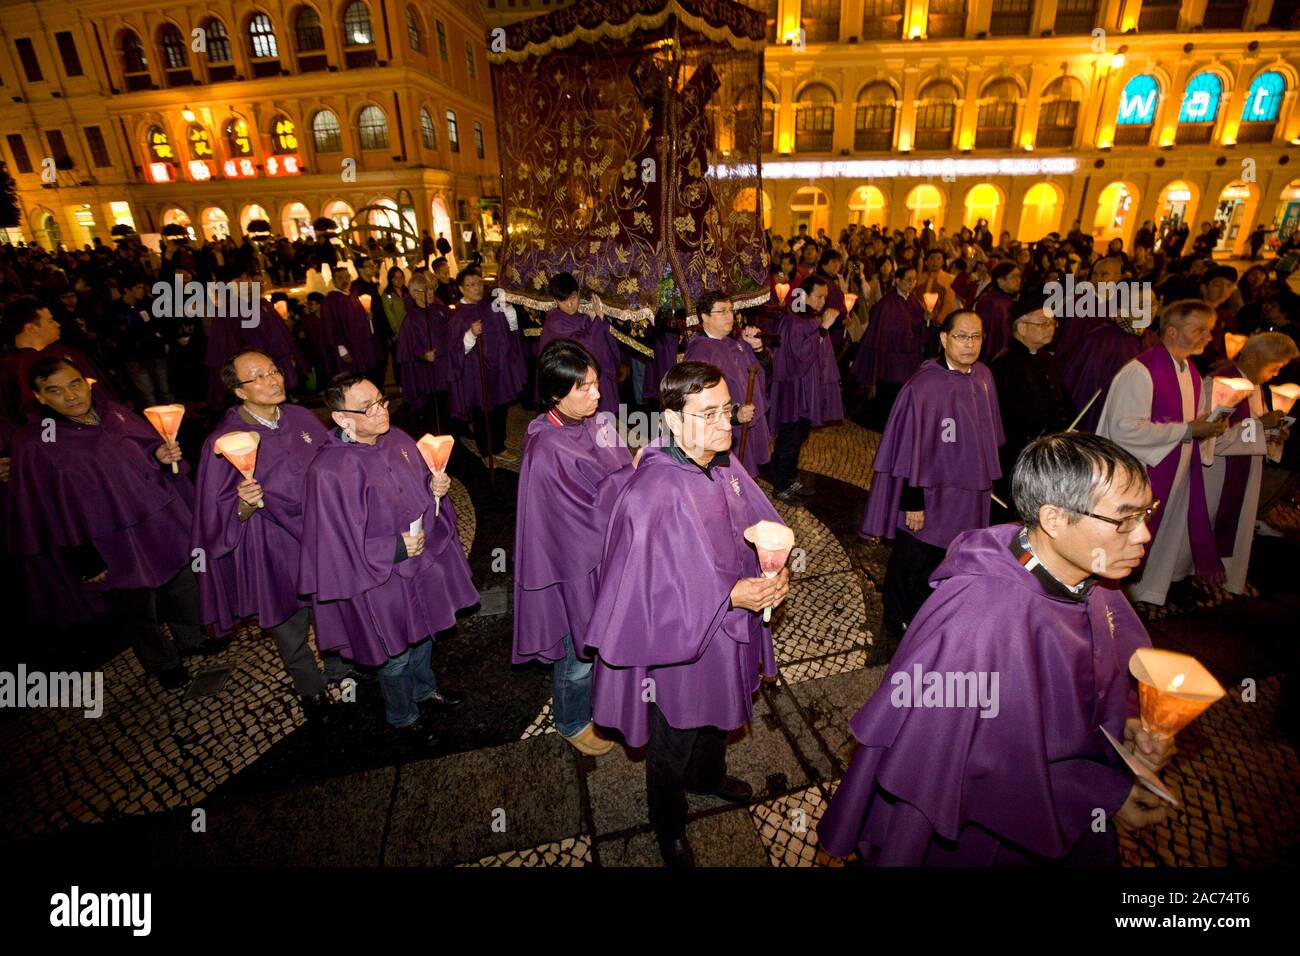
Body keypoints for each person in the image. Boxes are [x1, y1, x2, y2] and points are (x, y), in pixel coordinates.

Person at [820, 432, 1173, 865]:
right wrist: (1100, 798)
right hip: (991, 840)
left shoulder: (1093, 581)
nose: (1144, 534)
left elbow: (1103, 678)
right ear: (1054, 518)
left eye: (1146, 513)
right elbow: (965, 766)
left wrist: (1128, 726)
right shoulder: (976, 621)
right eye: (1125, 519)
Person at [585, 361, 791, 866]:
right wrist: (728, 597)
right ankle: (668, 823)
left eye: (727, 409)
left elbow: (760, 523)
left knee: (719, 716)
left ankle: (708, 775)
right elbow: (644, 593)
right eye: (709, 413)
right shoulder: (652, 493)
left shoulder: (721, 462)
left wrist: (774, 569)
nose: (726, 424)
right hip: (676, 650)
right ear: (674, 421)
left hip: (728, 633)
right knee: (672, 739)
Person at [8, 357, 214, 689]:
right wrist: (82, 557)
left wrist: (160, 457)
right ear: (40, 397)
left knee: (181, 584)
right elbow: (42, 509)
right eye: (55, 391)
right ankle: (162, 661)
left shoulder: (113, 412)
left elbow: (142, 454)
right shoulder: (36, 443)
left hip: (156, 520)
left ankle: (191, 639)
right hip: (109, 542)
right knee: (137, 608)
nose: (71, 396)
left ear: (87, 382)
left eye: (75, 384)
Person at [299, 373, 478, 741]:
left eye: (381, 400)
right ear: (342, 418)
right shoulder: (329, 472)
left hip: (420, 564)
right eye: (369, 407)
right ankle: (402, 714)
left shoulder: (397, 438)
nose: (383, 410)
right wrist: (394, 548)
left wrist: (434, 488)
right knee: (394, 652)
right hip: (378, 578)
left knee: (425, 631)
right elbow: (333, 545)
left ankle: (424, 689)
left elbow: (416, 491)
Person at [191, 350, 334, 721]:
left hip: (321, 536)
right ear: (238, 392)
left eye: (274, 370)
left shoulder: (301, 416)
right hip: (273, 546)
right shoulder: (223, 443)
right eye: (258, 377)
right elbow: (214, 514)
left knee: (333, 605)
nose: (273, 380)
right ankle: (311, 690)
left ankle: (342, 670)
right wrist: (244, 505)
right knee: (289, 623)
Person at [513, 341, 636, 755]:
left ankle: (596, 704)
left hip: (607, 555)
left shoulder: (597, 419)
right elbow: (583, 514)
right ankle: (569, 719)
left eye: (596, 384)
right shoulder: (547, 448)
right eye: (583, 388)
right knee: (578, 651)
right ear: (554, 394)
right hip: (574, 568)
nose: (597, 395)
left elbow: (619, 466)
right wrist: (632, 477)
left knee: (602, 641)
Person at [861, 310, 1003, 641]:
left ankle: (934, 613)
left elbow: (990, 438)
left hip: (968, 492)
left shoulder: (983, 377)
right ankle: (896, 617)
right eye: (961, 336)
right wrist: (912, 501)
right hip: (928, 495)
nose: (970, 344)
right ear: (943, 339)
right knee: (914, 559)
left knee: (951, 555)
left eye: (977, 337)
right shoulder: (923, 387)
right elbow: (910, 447)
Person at [1096, 300, 1229, 607]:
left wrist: (1209, 427)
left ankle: (1149, 592)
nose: (1208, 338)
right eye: (1200, 330)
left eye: (1209, 331)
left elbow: (1191, 422)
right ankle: (1118, 600)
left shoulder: (1188, 370)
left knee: (1167, 530)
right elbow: (1125, 429)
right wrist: (1188, 431)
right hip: (1139, 470)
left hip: (1174, 467)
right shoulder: (1141, 371)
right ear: (1171, 331)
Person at [1203, 332, 1297, 594]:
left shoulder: (1255, 387)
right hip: (1216, 474)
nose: (1276, 375)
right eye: (1274, 367)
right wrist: (1259, 427)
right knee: (1209, 526)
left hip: (1245, 471)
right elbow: (1213, 438)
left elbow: (1255, 432)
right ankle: (1199, 580)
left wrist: (1273, 435)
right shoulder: (1222, 382)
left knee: (1237, 528)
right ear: (1255, 358)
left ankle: (1225, 581)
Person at [989, 290, 1073, 512]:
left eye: (1052, 323)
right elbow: (1006, 419)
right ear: (1022, 327)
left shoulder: (1048, 360)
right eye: (1043, 323)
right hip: (1018, 458)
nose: (1051, 328)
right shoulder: (1004, 366)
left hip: (1047, 454)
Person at [767, 274, 844, 501]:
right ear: (804, 295)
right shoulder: (793, 320)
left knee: (800, 435)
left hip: (808, 388)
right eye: (818, 297)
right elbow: (798, 357)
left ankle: (791, 478)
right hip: (793, 389)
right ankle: (780, 484)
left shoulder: (812, 318)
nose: (822, 302)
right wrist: (822, 330)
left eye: (824, 298)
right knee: (788, 437)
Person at [683, 292, 771, 477]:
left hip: (748, 420)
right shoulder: (700, 351)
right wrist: (734, 415)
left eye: (731, 310)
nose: (730, 316)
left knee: (746, 477)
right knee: (729, 479)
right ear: (704, 317)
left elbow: (762, 375)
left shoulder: (733, 342)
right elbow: (698, 401)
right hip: (727, 428)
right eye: (722, 311)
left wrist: (757, 348)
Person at [446, 268, 526, 463]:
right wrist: (471, 335)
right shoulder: (459, 316)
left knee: (500, 408)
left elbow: (510, 331)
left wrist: (508, 311)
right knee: (483, 412)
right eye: (471, 285)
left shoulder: (490, 307)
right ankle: (486, 450)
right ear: (461, 289)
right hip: (475, 372)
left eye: (479, 283)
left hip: (497, 368)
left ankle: (499, 445)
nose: (477, 288)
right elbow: (456, 350)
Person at [0, 295, 112, 425]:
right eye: (50, 321)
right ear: (31, 327)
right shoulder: (9, 366)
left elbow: (102, 391)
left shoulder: (68, 353)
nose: (58, 324)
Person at [851, 265, 927, 427]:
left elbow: (918, 324)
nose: (912, 283)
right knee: (889, 391)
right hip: (891, 357)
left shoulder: (913, 300)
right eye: (908, 280)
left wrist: (926, 318)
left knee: (905, 390)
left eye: (914, 280)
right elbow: (881, 332)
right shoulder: (887, 304)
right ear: (897, 281)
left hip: (909, 355)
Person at [538, 273, 623, 418]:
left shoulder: (580, 318)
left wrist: (594, 321)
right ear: (555, 301)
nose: (570, 305)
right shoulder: (555, 321)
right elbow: (583, 345)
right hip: (572, 381)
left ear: (578, 294)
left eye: (573, 298)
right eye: (563, 301)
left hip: (592, 376)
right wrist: (598, 320)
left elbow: (598, 341)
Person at [395, 272, 450, 431]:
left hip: (444, 366)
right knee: (433, 408)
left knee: (446, 404)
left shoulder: (440, 310)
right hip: (426, 372)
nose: (431, 293)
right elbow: (405, 351)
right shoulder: (410, 319)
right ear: (415, 294)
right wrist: (422, 355)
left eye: (432, 289)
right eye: (426, 290)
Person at [320, 268, 381, 382]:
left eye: (346, 277)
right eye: (340, 278)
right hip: (347, 349)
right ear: (333, 280)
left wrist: (368, 319)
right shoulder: (330, 302)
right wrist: (342, 350)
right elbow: (330, 328)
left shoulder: (353, 297)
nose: (344, 280)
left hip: (360, 347)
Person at [974, 262, 1020, 362]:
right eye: (1014, 277)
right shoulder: (994, 302)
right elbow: (992, 333)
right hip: (994, 355)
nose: (1018, 280)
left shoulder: (1006, 300)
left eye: (1019, 276)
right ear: (1000, 281)